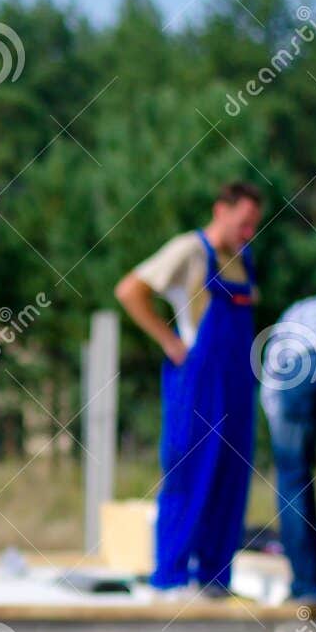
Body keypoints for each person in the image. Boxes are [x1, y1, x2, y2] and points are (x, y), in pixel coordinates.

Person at [115, 181, 263, 597]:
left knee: (231, 476)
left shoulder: (243, 259)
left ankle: (215, 577)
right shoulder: (189, 250)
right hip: (199, 379)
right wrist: (168, 340)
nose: (248, 232)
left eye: (254, 225)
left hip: (236, 383)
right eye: (243, 222)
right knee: (189, 471)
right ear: (221, 210)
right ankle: (172, 577)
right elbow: (130, 290)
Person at [261, 294, 316, 605]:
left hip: (301, 364)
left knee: (293, 479)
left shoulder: (294, 311)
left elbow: (271, 386)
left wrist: (292, 449)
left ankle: (306, 590)